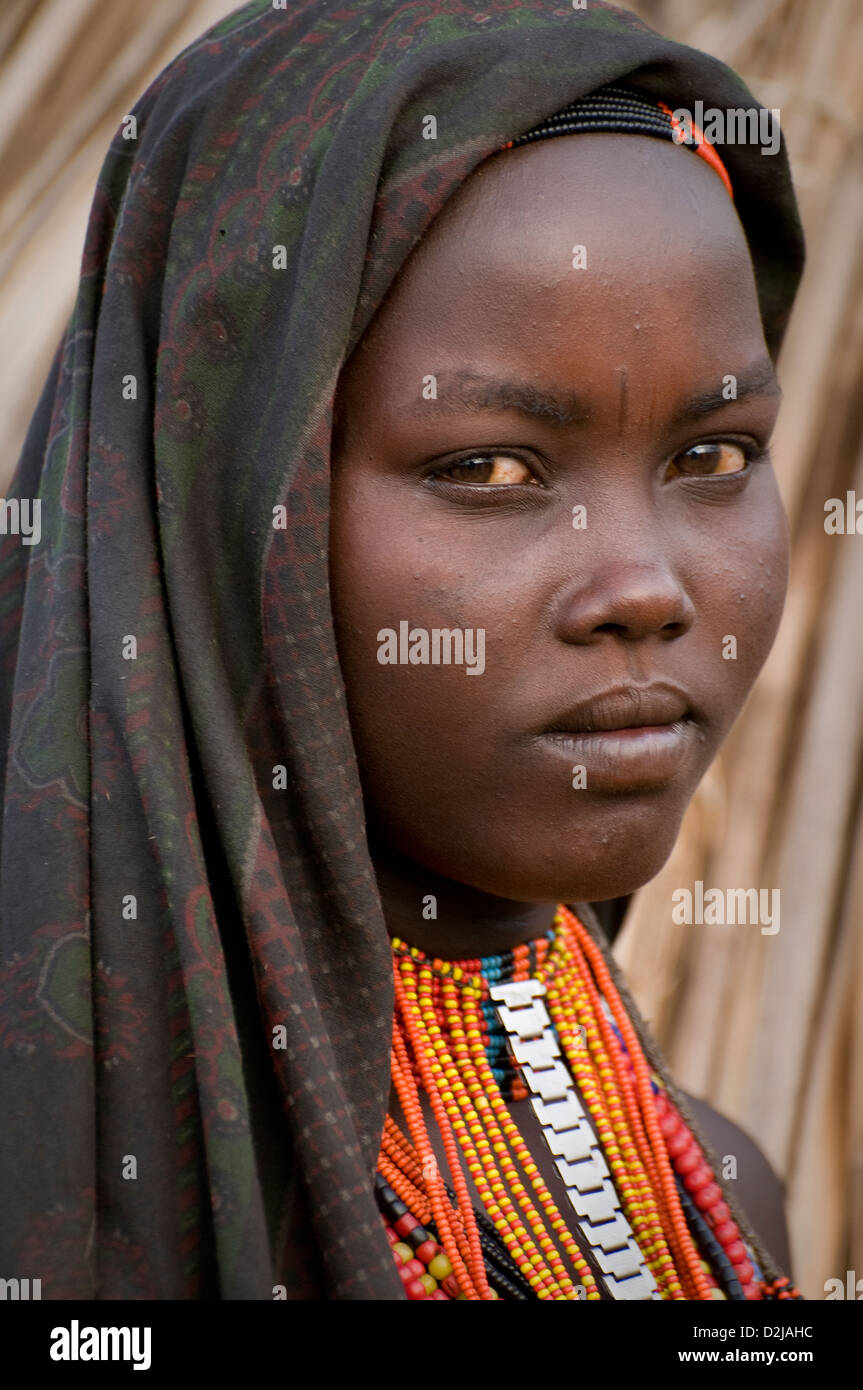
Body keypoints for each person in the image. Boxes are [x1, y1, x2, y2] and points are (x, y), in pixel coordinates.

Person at [0, 0, 805, 1300]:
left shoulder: (725, 1200)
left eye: (712, 455)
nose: (648, 589)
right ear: (231, 502)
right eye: (489, 466)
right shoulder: (80, 1218)